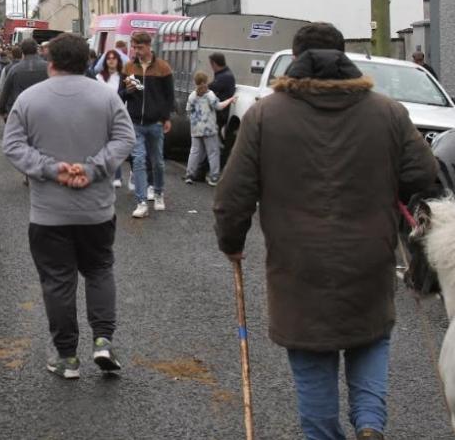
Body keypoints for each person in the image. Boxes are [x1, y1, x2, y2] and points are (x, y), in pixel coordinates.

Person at [213, 22, 437, 440]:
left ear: (295, 59)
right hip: (369, 256)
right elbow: (424, 176)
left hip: (298, 263)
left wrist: (232, 242)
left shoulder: (265, 115)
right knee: (369, 338)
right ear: (346, 58)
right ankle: (370, 424)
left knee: (312, 356)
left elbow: (233, 194)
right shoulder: (387, 112)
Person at [2, 33, 135, 380]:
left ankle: (67, 358)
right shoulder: (106, 97)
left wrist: (51, 168)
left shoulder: (29, 100)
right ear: (87, 60)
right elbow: (125, 138)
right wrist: (94, 168)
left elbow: (13, 146)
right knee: (99, 270)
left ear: (51, 62)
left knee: (58, 282)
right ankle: (104, 341)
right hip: (97, 208)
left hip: (49, 212)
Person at [122, 32, 175, 218]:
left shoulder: (163, 67)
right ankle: (141, 201)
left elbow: (169, 96)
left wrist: (166, 118)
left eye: (140, 47)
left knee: (158, 161)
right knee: (138, 160)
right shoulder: (128, 67)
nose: (137, 51)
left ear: (148, 46)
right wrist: (127, 91)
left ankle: (159, 192)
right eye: (134, 47)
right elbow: (121, 94)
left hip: (155, 122)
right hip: (135, 121)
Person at [183, 71, 234, 186]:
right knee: (213, 153)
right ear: (206, 82)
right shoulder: (210, 95)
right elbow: (219, 106)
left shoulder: (192, 96)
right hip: (209, 129)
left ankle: (189, 175)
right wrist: (230, 100)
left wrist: (194, 120)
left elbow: (188, 111)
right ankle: (214, 177)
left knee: (194, 152)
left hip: (195, 129)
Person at [95, 50, 128, 188]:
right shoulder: (99, 77)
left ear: (118, 61)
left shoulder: (124, 78)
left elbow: (127, 95)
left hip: (119, 115)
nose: (111, 61)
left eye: (114, 58)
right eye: (108, 58)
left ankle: (118, 176)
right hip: (102, 115)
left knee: (117, 145)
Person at [0, 39, 48, 119]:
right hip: (43, 110)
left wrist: (2, 109)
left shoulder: (14, 69)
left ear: (22, 51)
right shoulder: (48, 67)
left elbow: (5, 91)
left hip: (20, 110)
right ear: (36, 50)